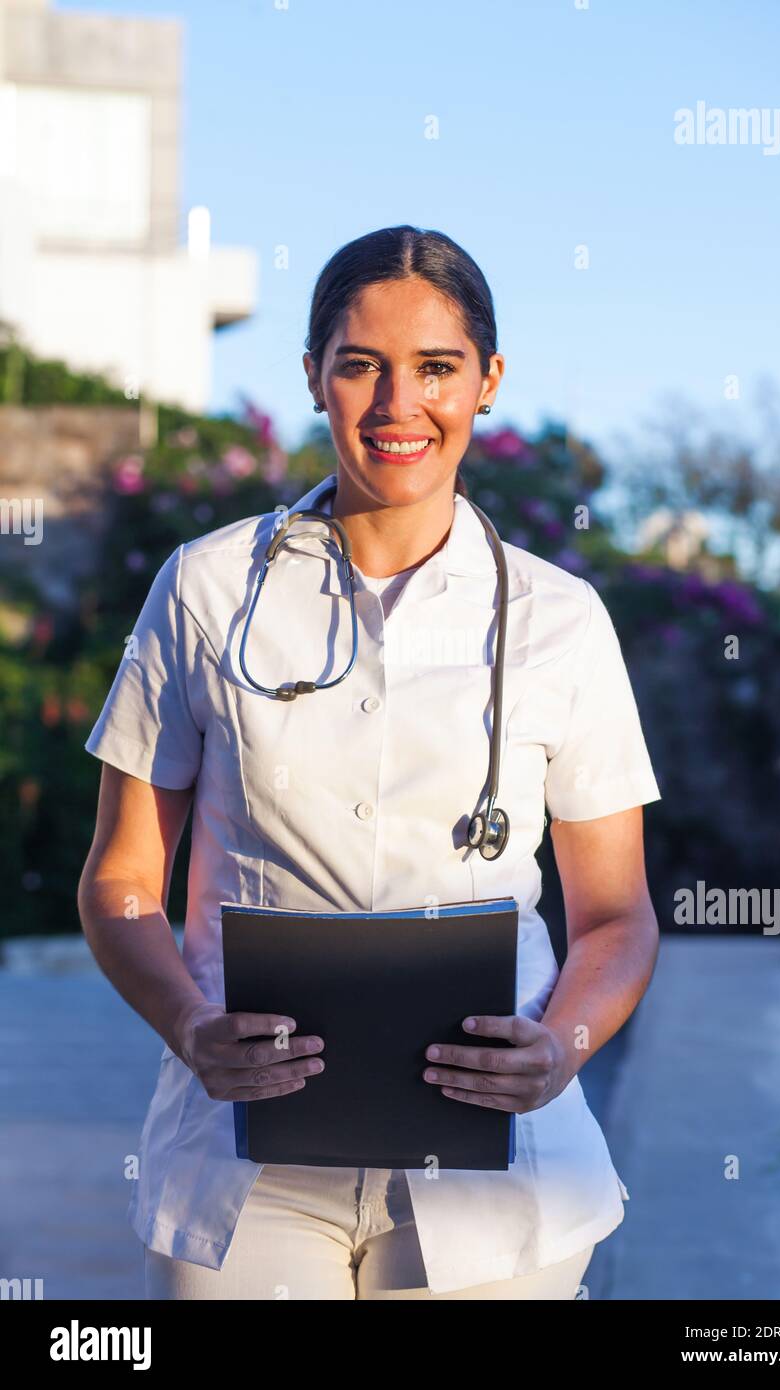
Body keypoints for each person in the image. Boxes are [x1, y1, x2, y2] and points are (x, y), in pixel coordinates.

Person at [78, 224, 662, 1301]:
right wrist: (190, 1027)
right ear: (312, 377)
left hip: (492, 1163)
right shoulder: (207, 590)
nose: (399, 404)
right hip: (244, 1152)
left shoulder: (559, 621)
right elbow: (119, 881)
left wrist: (563, 1046)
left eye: (436, 367)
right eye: (360, 365)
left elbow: (617, 916)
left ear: (486, 381)